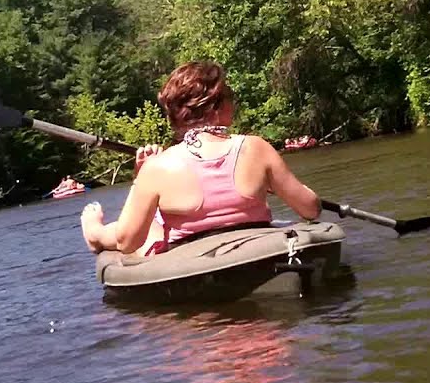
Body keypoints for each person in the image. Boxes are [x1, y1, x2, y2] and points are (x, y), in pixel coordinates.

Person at [80, 60, 322, 256]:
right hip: (256, 250)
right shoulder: (256, 148)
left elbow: (126, 242)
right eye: (229, 96)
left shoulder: (159, 166)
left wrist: (141, 177)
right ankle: (95, 234)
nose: (233, 102)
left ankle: (96, 234)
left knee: (153, 225)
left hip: (192, 263)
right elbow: (311, 209)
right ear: (217, 106)